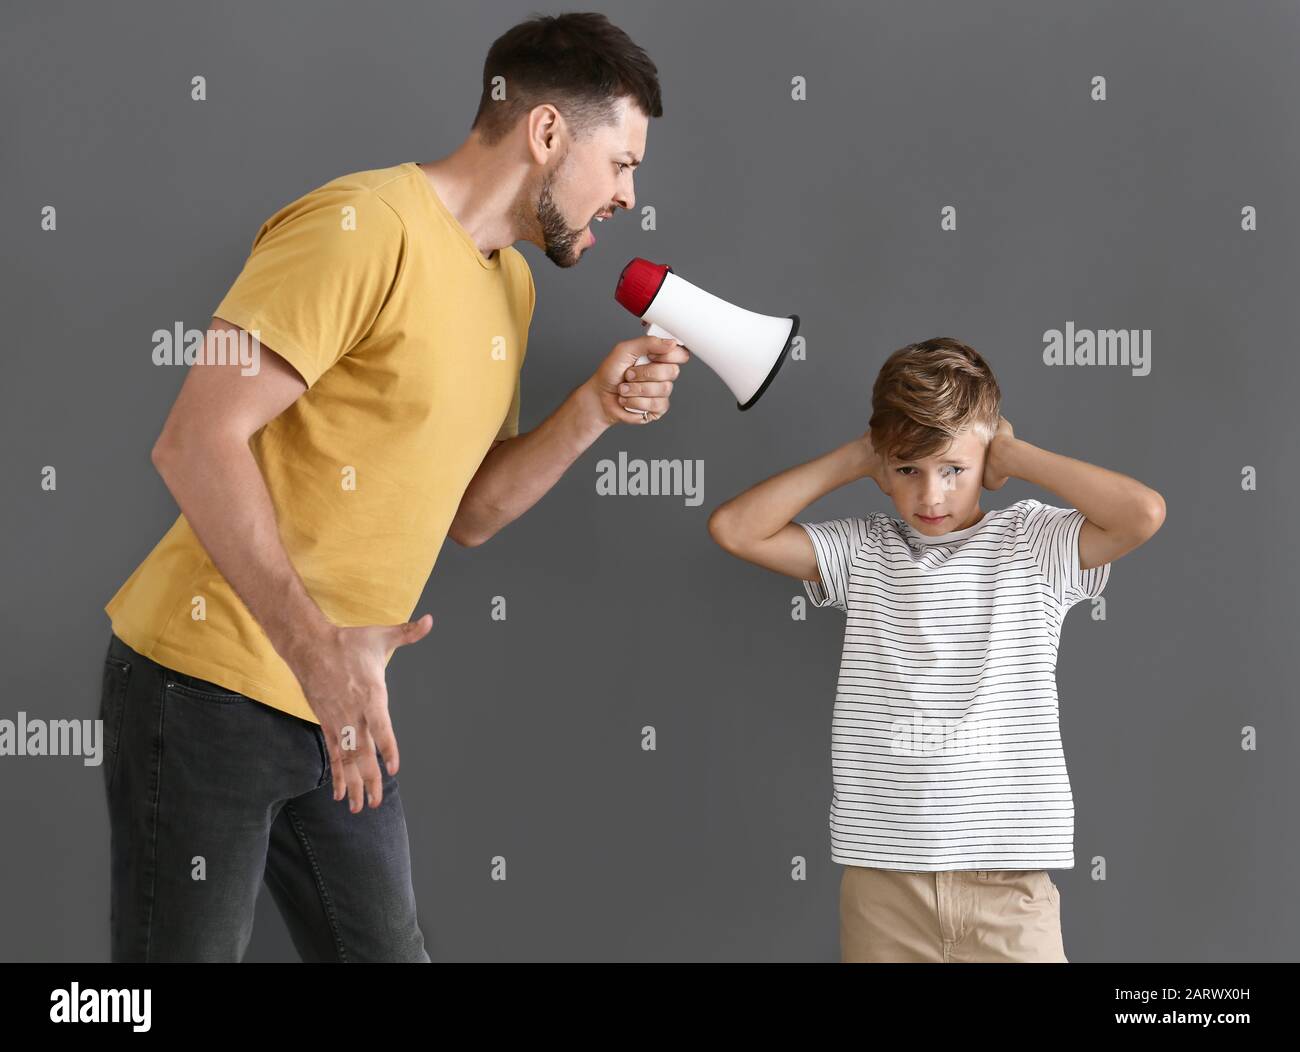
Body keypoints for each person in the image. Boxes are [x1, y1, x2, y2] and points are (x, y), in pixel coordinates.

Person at [97, 12, 688, 962]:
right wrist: (319, 653)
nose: (628, 195)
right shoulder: (364, 226)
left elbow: (471, 517)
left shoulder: (511, 288)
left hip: (337, 703)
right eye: (620, 163)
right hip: (204, 683)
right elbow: (194, 442)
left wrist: (592, 410)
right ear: (545, 134)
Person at [707, 337, 1165, 962]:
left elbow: (1141, 513)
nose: (931, 496)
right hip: (884, 883)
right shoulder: (863, 549)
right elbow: (734, 529)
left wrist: (1013, 453)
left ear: (986, 462)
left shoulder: (1034, 542)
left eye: (954, 469)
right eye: (906, 470)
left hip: (1008, 884)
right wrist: (857, 456)